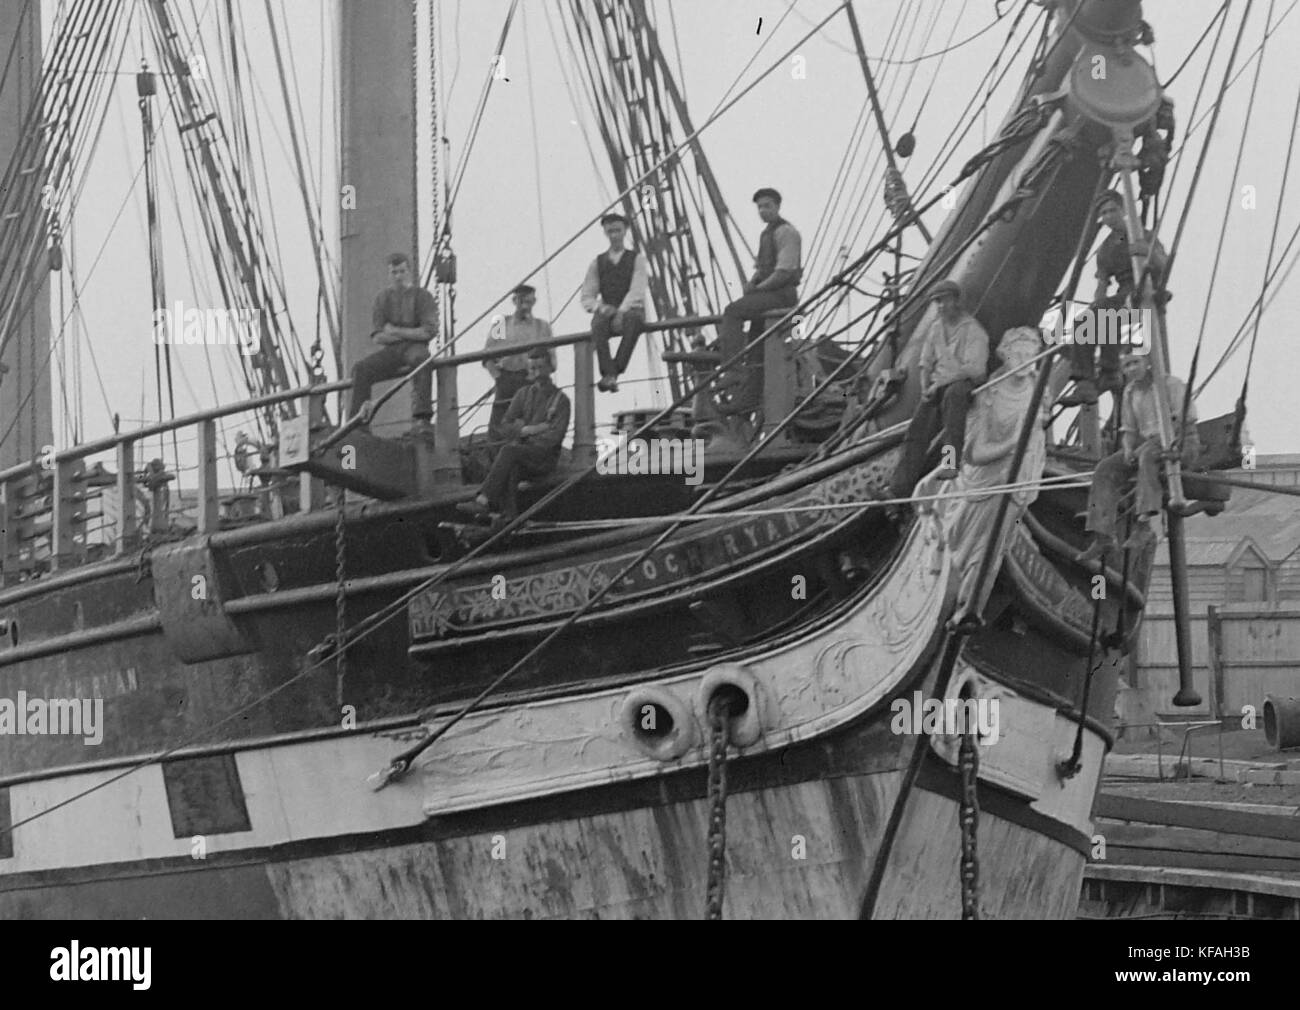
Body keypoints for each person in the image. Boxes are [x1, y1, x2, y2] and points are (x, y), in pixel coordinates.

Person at [916, 326, 1047, 629]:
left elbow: (1037, 440)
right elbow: (974, 453)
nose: (1026, 361)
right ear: (1005, 355)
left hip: (1015, 481)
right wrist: (1016, 440)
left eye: (1032, 355)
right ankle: (958, 601)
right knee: (963, 549)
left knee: (989, 548)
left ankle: (970, 608)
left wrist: (1030, 440)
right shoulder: (988, 394)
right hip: (979, 480)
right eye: (1019, 355)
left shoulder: (1038, 390)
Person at [1082, 351, 1200, 561]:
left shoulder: (1171, 385)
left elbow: (1187, 419)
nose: (1131, 369)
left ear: (1147, 363)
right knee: (1105, 468)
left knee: (1147, 456)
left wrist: (1169, 437)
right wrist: (1127, 449)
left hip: (1180, 441)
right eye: (1126, 366)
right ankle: (1103, 536)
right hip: (1149, 443)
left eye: (1135, 363)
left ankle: (1144, 525)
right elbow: (1129, 430)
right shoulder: (1130, 393)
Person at [1062, 189, 1168, 406]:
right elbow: (1101, 286)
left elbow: (1164, 265)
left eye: (1112, 210)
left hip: (1146, 291)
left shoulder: (1144, 235)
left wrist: (1147, 251)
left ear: (1123, 209)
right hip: (1124, 295)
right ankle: (1086, 383)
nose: (1108, 216)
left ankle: (1110, 370)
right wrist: (1094, 308)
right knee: (1086, 320)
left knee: (1105, 314)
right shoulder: (1106, 249)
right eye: (1104, 213)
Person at [888, 278, 990, 498]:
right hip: (938, 387)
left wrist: (938, 385)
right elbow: (925, 361)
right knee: (916, 431)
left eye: (944, 301)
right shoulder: (936, 328)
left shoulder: (973, 330)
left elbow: (975, 370)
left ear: (955, 300)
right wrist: (926, 387)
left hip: (963, 385)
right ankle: (898, 488)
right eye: (937, 302)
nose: (941, 306)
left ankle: (950, 463)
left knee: (953, 414)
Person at [457, 346, 570, 523]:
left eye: (540, 368)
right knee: (512, 465)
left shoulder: (561, 400)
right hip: (524, 454)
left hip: (545, 459)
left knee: (510, 451)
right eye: (533, 369)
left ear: (549, 369)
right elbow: (505, 424)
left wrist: (525, 436)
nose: (537, 373)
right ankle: (509, 517)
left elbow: (553, 438)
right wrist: (529, 430)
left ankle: (483, 500)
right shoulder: (523, 394)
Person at [715, 187, 802, 413]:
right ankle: (749, 398)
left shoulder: (786, 232)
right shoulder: (767, 234)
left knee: (732, 311)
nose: (763, 211)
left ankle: (731, 368)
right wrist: (752, 284)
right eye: (760, 207)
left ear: (777, 207)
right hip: (769, 293)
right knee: (756, 347)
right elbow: (763, 269)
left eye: (767, 206)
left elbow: (783, 272)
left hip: (781, 295)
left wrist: (758, 289)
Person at [347, 252, 436, 429]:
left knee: (422, 360)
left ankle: (422, 416)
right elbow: (378, 336)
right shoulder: (382, 299)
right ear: (389, 274)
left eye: (402, 271)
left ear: (409, 272)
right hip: (393, 351)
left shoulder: (423, 297)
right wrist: (411, 332)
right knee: (361, 369)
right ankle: (358, 422)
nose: (398, 277)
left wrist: (395, 331)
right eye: (394, 272)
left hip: (415, 348)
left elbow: (429, 332)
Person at [580, 213, 649, 392]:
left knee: (633, 322)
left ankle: (614, 372)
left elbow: (637, 289)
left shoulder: (637, 260)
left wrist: (622, 311)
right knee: (597, 325)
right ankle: (608, 373)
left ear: (624, 231)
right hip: (608, 309)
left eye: (617, 231)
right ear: (605, 233)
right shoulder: (598, 263)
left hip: (631, 308)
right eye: (610, 231)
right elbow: (587, 295)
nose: (614, 235)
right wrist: (600, 308)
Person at [484, 284, 553, 439]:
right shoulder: (501, 323)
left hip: (531, 380)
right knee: (498, 426)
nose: (524, 305)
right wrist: (498, 377)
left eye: (528, 301)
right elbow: (487, 355)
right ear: (514, 300)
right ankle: (494, 452)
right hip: (506, 379)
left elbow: (550, 359)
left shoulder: (542, 327)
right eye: (521, 300)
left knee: (530, 424)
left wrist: (537, 376)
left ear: (534, 301)